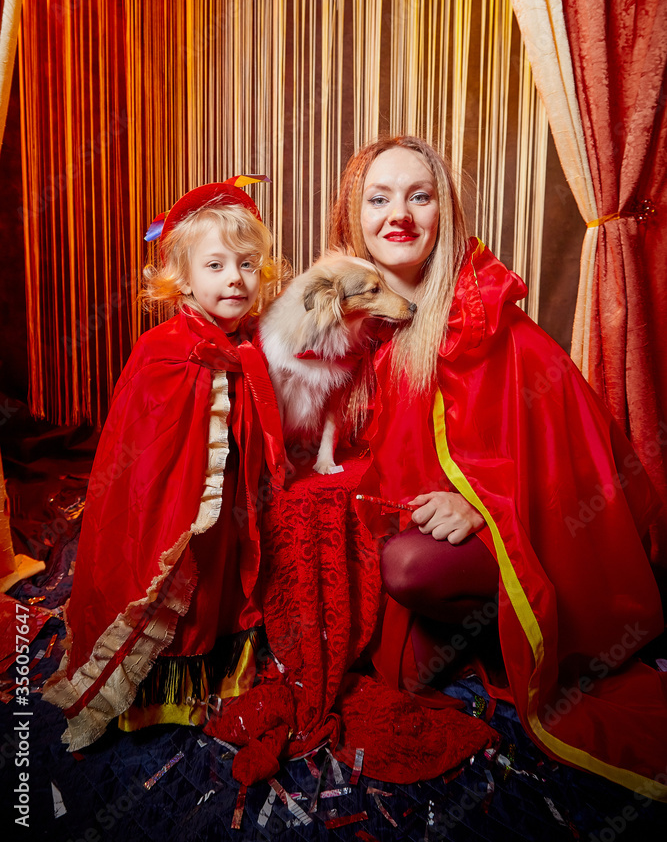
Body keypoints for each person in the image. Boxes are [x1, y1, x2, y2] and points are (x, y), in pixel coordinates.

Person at [329, 135, 667, 801]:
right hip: (402, 519)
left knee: (408, 569)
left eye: (418, 196)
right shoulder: (345, 316)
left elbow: (573, 461)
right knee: (390, 652)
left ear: (442, 212)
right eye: (379, 197)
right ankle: (469, 634)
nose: (398, 213)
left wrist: (484, 503)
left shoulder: (484, 320)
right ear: (355, 215)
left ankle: (519, 631)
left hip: (517, 537)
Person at [43, 178, 284, 751]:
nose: (234, 278)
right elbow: (142, 453)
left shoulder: (252, 344)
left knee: (219, 588)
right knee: (179, 587)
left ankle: (210, 679)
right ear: (183, 275)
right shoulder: (163, 349)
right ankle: (152, 690)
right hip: (170, 510)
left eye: (247, 264)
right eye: (216, 264)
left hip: (229, 506)